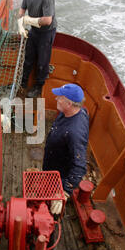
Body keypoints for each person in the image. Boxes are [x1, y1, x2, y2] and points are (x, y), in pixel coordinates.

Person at [42, 84, 89, 215]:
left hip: (59, 174)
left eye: (60, 97)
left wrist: (65, 191)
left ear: (69, 104)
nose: (56, 98)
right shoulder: (73, 112)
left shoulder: (75, 133)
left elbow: (79, 167)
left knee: (52, 211)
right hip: (53, 159)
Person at [18, 0, 57, 98]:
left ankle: (38, 86)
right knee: (28, 58)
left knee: (42, 61)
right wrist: (21, 24)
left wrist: (30, 20)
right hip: (34, 31)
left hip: (46, 33)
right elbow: (22, 10)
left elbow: (47, 20)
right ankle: (22, 83)